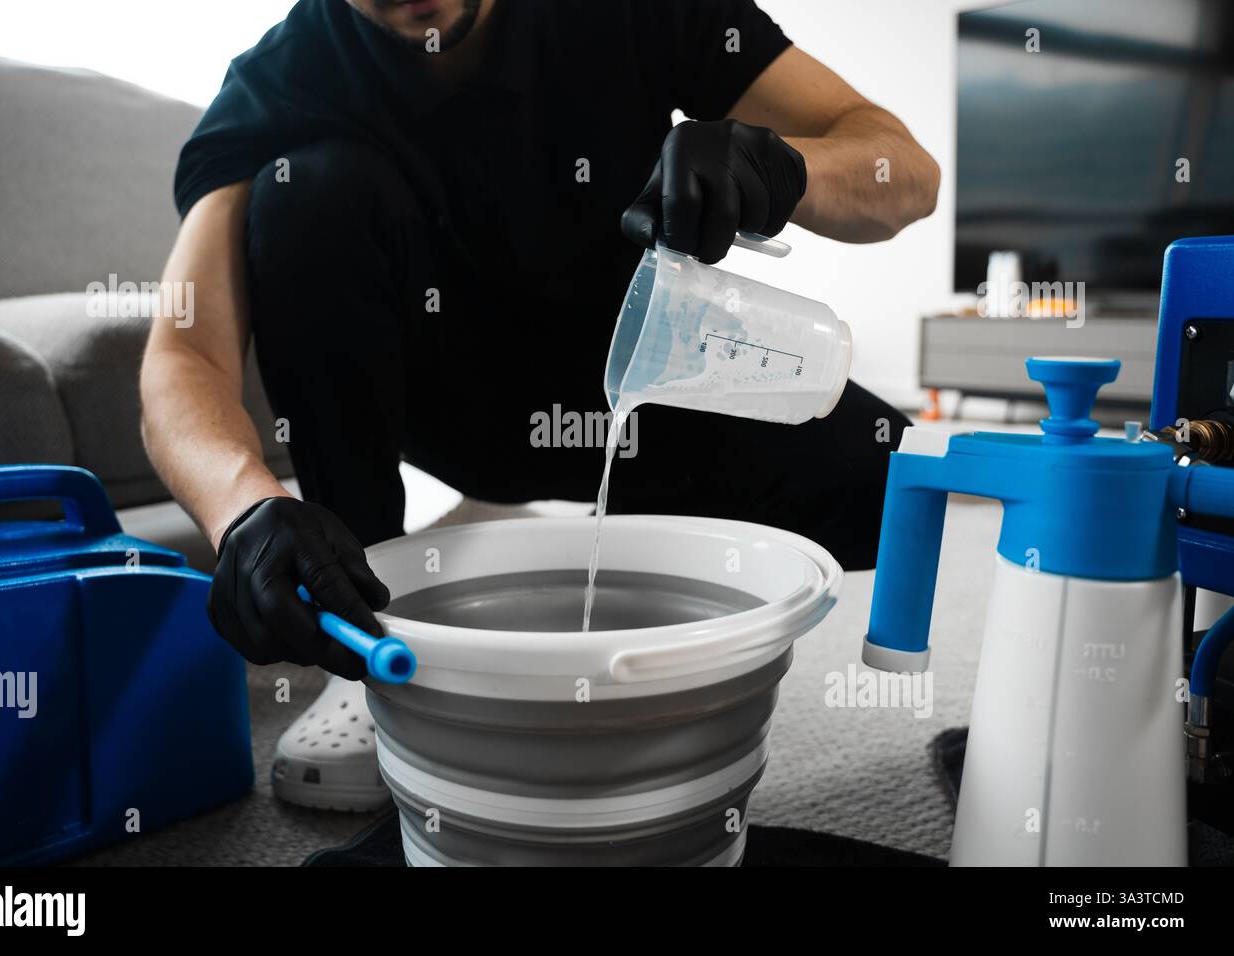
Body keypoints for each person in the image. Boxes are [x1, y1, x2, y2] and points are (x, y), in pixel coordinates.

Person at [140, 0, 940, 810]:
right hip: (447, 402)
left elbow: (906, 174)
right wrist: (242, 507)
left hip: (642, 380)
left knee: (890, 485)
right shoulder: (282, 76)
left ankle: (603, 571)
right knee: (304, 189)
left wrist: (782, 167)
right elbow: (183, 352)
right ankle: (373, 626)